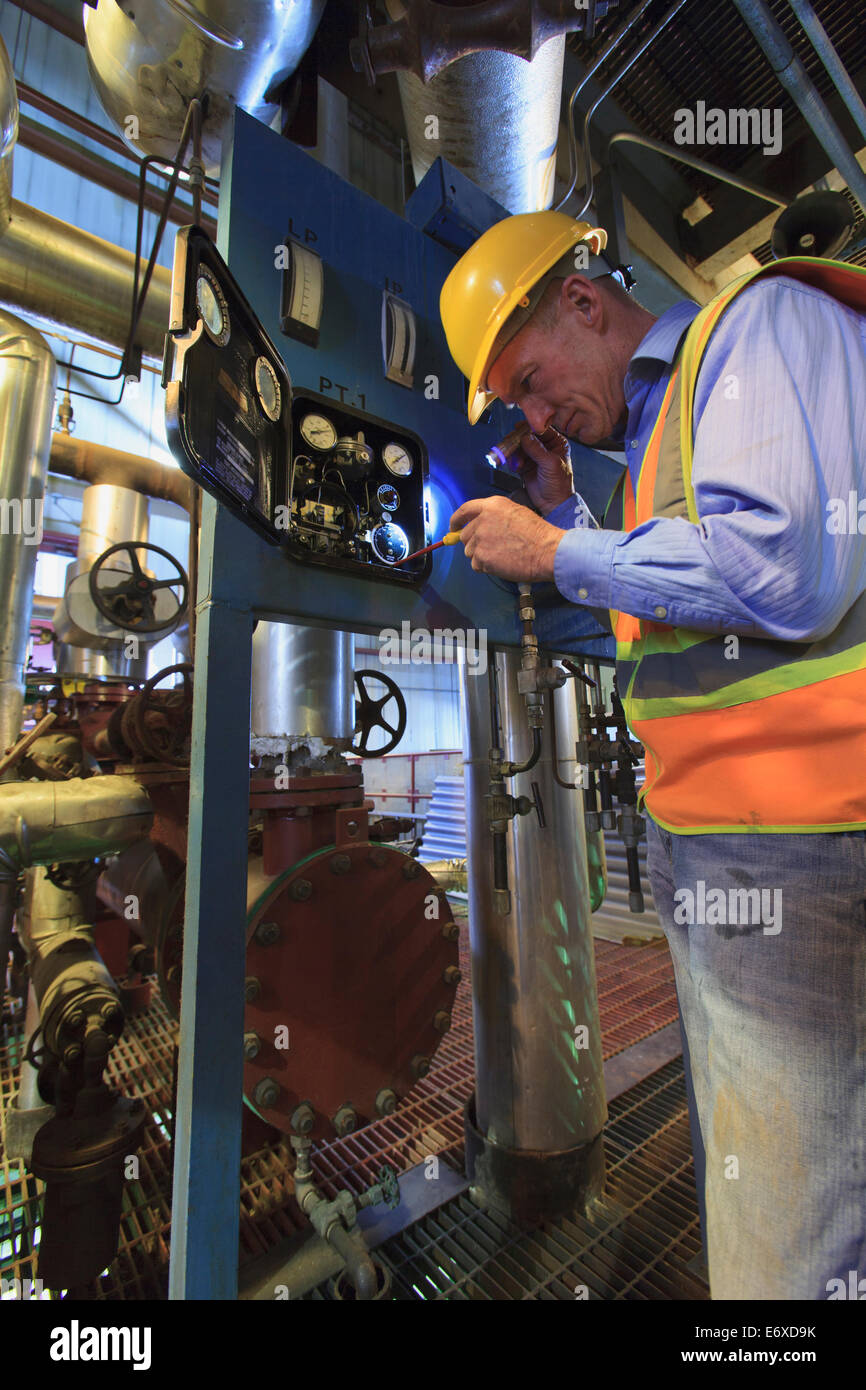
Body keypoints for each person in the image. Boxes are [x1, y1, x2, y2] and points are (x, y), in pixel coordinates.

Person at [440, 210, 866, 1301]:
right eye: (517, 405)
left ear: (584, 302)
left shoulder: (757, 320)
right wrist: (566, 519)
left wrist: (554, 549)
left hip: (807, 845)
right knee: (783, 1185)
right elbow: (666, 628)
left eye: (532, 379)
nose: (538, 413)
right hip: (732, 853)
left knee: (784, 1239)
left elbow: (780, 570)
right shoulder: (653, 453)